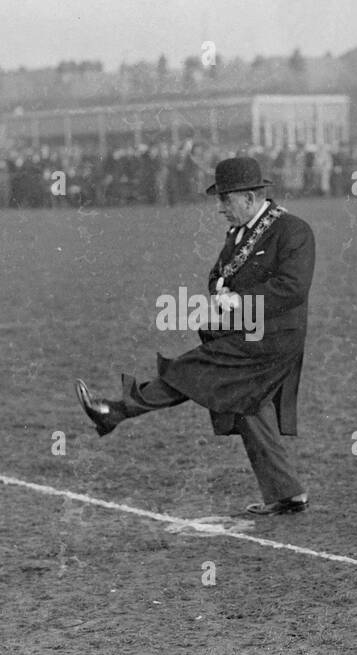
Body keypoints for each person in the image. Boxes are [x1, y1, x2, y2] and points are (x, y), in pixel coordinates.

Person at [75, 156, 315, 515]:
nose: (219, 208)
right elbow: (219, 272)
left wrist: (237, 299)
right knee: (248, 405)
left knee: (191, 370)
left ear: (249, 198)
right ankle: (288, 493)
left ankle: (114, 411)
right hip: (245, 332)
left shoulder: (292, 230)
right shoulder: (240, 232)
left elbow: (292, 287)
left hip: (272, 339)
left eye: (225, 199)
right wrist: (219, 287)